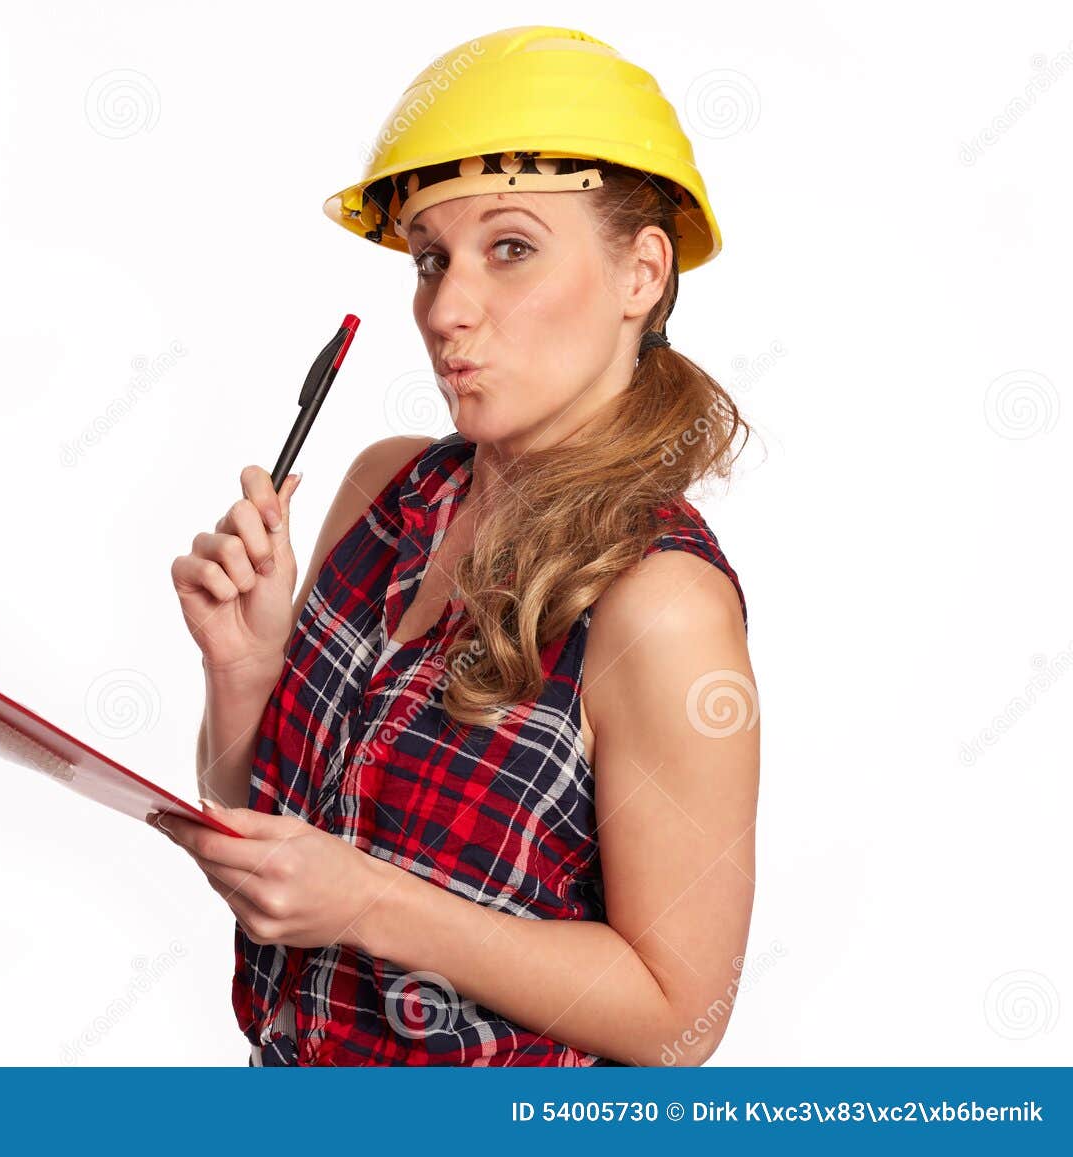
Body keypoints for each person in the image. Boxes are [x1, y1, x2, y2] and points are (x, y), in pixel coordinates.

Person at [156, 26, 759, 1066]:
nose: (445, 307)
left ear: (641, 273)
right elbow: (271, 833)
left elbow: (678, 1018)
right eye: (431, 259)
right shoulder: (387, 490)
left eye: (510, 248)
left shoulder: (658, 605)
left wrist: (372, 903)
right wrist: (243, 668)